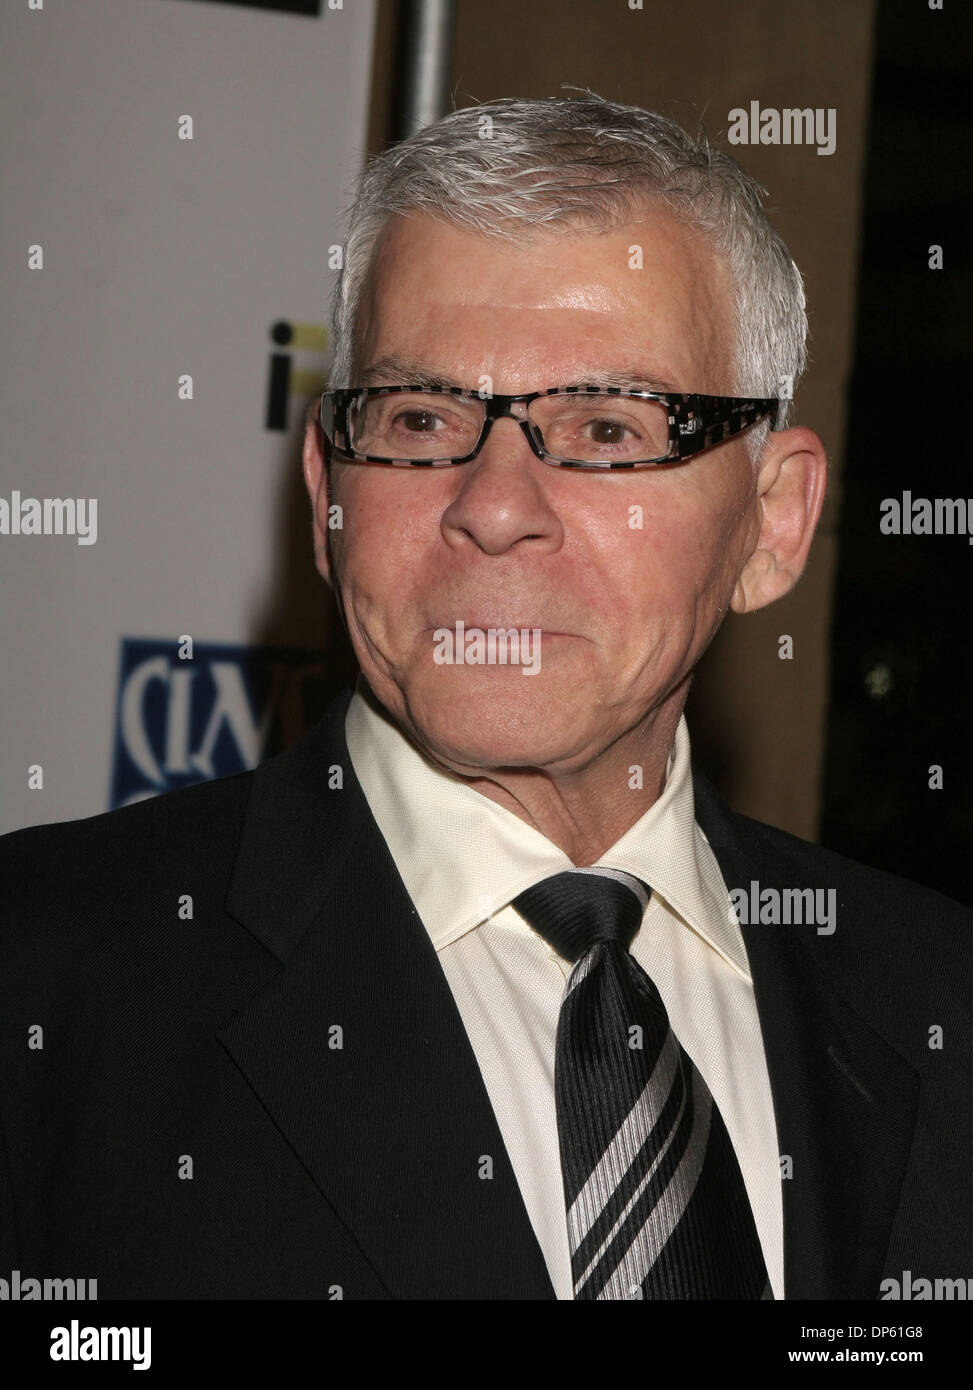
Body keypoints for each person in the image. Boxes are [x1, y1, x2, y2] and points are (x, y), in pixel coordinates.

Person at [1, 94, 970, 1302]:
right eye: (420, 418)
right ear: (325, 489)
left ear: (771, 526)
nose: (492, 503)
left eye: (607, 427)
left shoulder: (939, 1007)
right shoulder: (44, 987)